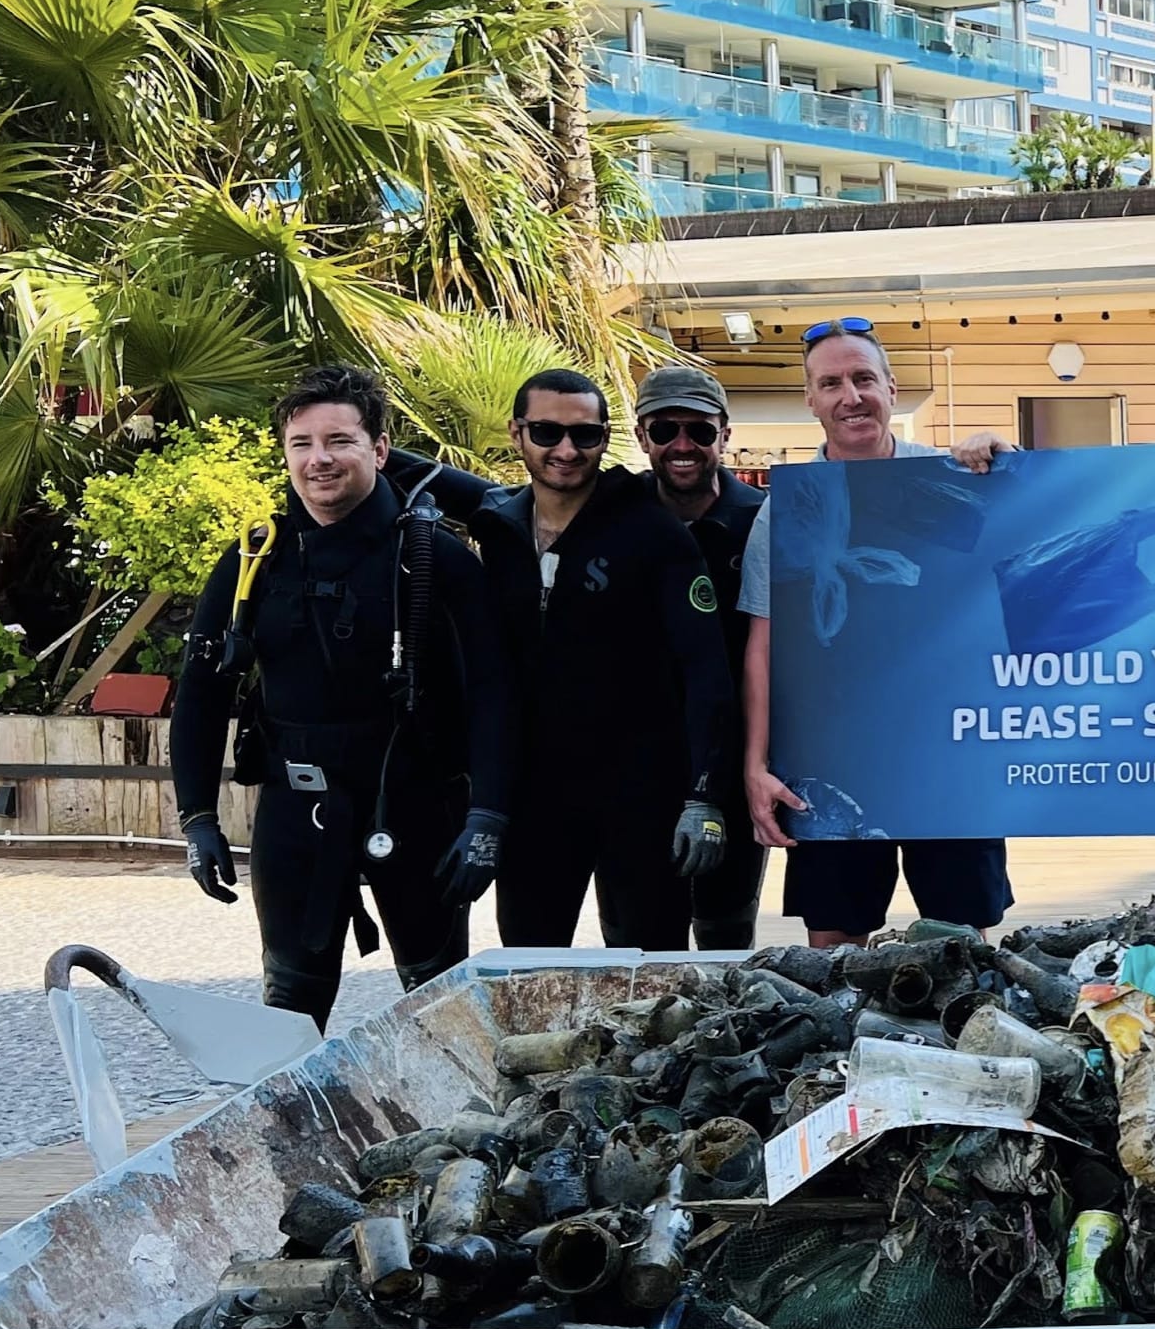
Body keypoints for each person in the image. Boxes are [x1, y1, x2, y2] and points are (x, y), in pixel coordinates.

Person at [170, 366, 513, 1025]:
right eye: (301, 443)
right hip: (297, 811)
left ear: (380, 450)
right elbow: (202, 695)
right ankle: (296, 1130)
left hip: (417, 805)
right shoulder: (253, 560)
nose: (319, 459)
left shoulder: (436, 558)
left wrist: (487, 819)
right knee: (289, 1008)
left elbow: (494, 695)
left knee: (443, 1007)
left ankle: (456, 1127)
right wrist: (197, 819)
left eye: (339, 441)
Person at [742, 318, 1013, 947]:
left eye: (864, 378)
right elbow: (763, 647)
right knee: (833, 946)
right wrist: (754, 765)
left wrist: (1001, 457)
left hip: (946, 747)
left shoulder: (955, 476)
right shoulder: (785, 508)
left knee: (962, 947)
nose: (850, 396)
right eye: (830, 383)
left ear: (891, 388)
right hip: (832, 754)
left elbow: (1026, 525)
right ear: (811, 400)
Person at [469, 369, 735, 953]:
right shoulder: (497, 529)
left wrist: (701, 796)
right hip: (533, 799)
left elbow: (706, 671)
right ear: (517, 434)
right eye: (546, 432)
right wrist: (481, 805)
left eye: (585, 436)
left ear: (607, 438)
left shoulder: (653, 533)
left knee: (652, 973)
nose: (565, 450)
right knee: (529, 969)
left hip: (643, 796)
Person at [634, 363, 770, 952]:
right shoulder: (614, 511)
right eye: (665, 430)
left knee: (727, 933)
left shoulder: (766, 518)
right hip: (637, 761)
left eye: (700, 430)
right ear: (642, 437)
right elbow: (499, 499)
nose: (682, 445)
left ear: (725, 434)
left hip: (738, 754)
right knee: (641, 939)